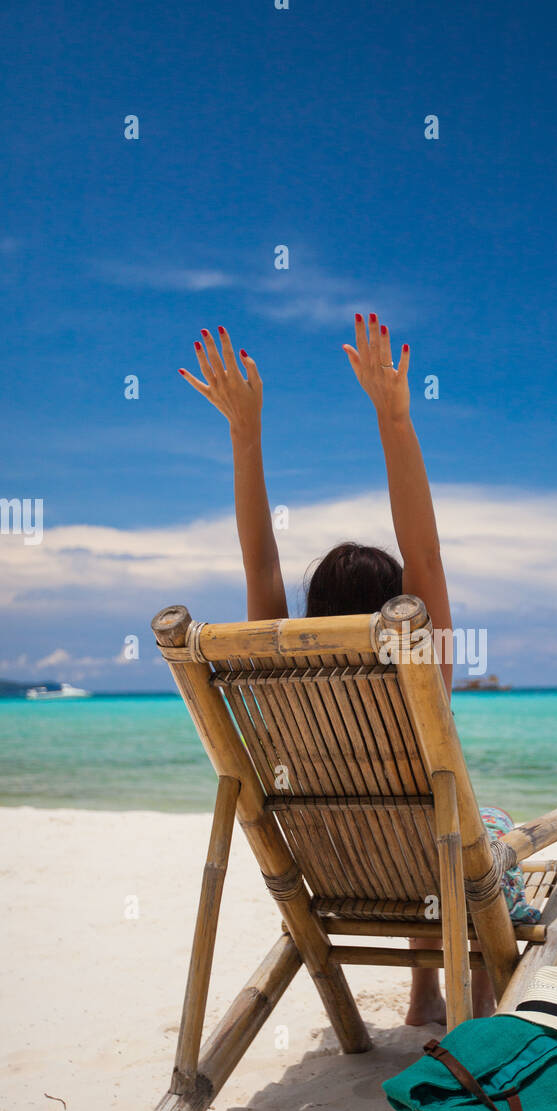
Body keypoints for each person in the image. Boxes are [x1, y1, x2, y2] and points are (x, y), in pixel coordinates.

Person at [179, 312, 494, 1024]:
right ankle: (473, 981)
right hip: (439, 868)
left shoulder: (273, 674)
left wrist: (244, 432)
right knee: (476, 826)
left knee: (420, 830)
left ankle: (420, 988)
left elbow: (260, 563)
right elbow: (430, 555)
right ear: (401, 611)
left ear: (312, 617)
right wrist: (393, 417)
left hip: (336, 871)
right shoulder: (419, 665)